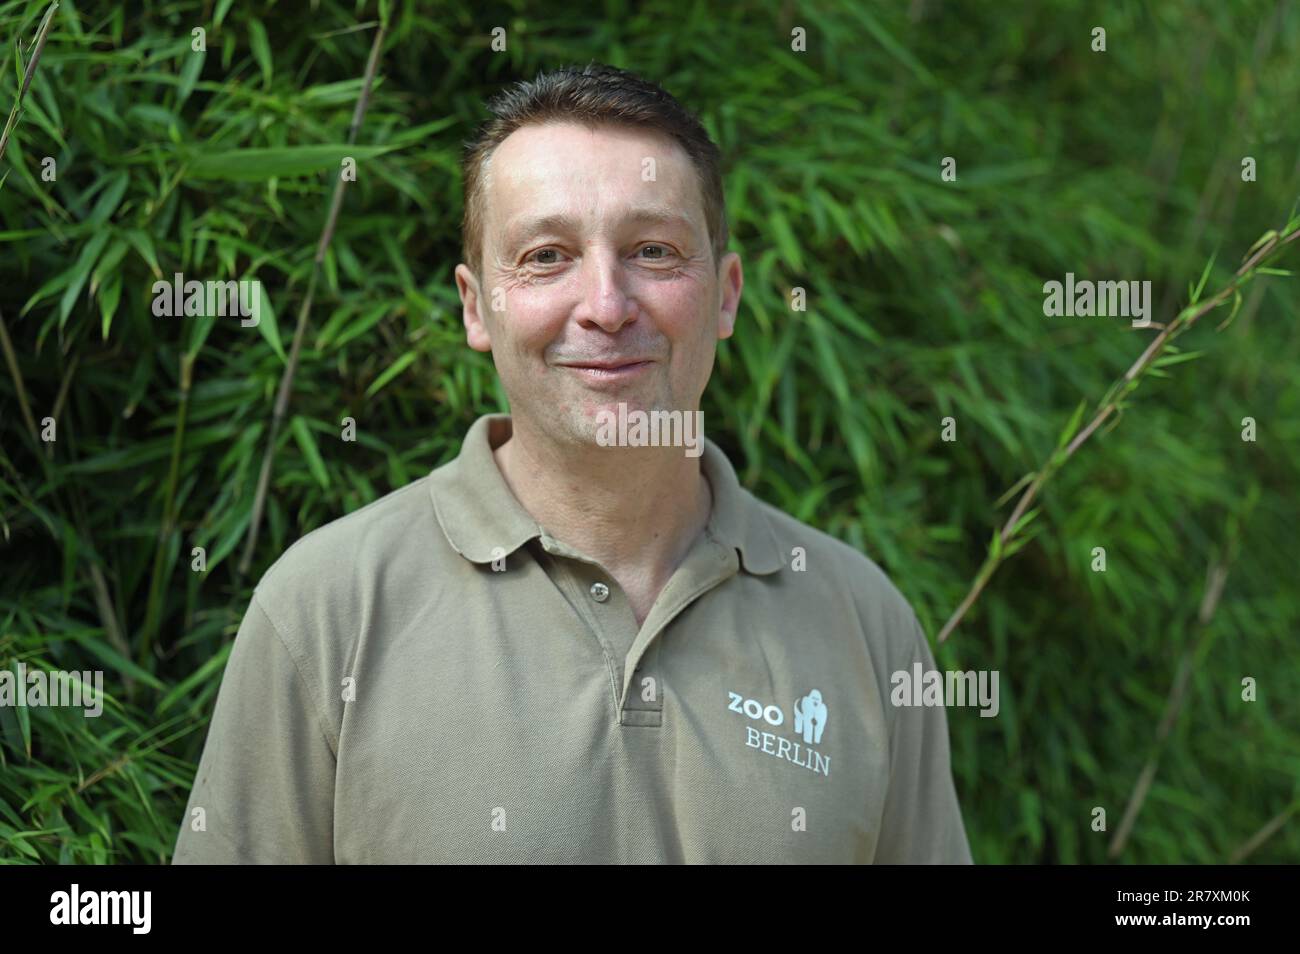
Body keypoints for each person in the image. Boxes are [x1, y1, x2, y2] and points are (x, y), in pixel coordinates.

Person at [172, 62, 972, 864]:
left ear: (726, 295)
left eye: (653, 250)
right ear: (476, 305)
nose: (606, 305)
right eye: (547, 256)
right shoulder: (325, 612)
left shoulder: (866, 627)